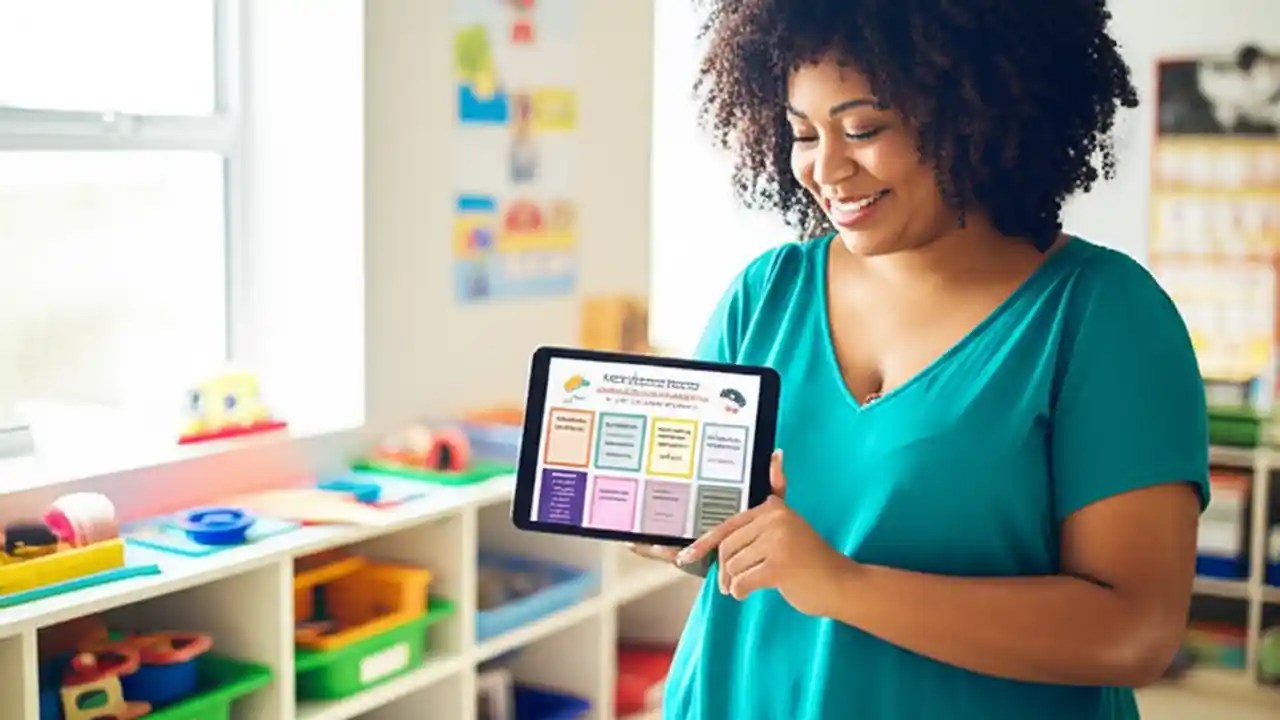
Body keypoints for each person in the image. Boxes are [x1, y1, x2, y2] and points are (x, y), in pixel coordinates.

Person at [631, 1, 1210, 718]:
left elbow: (1137, 632)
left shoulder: (1100, 314)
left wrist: (841, 584)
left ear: (979, 113)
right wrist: (683, 531)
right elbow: (732, 554)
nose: (827, 168)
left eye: (864, 129)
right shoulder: (765, 293)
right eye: (802, 133)